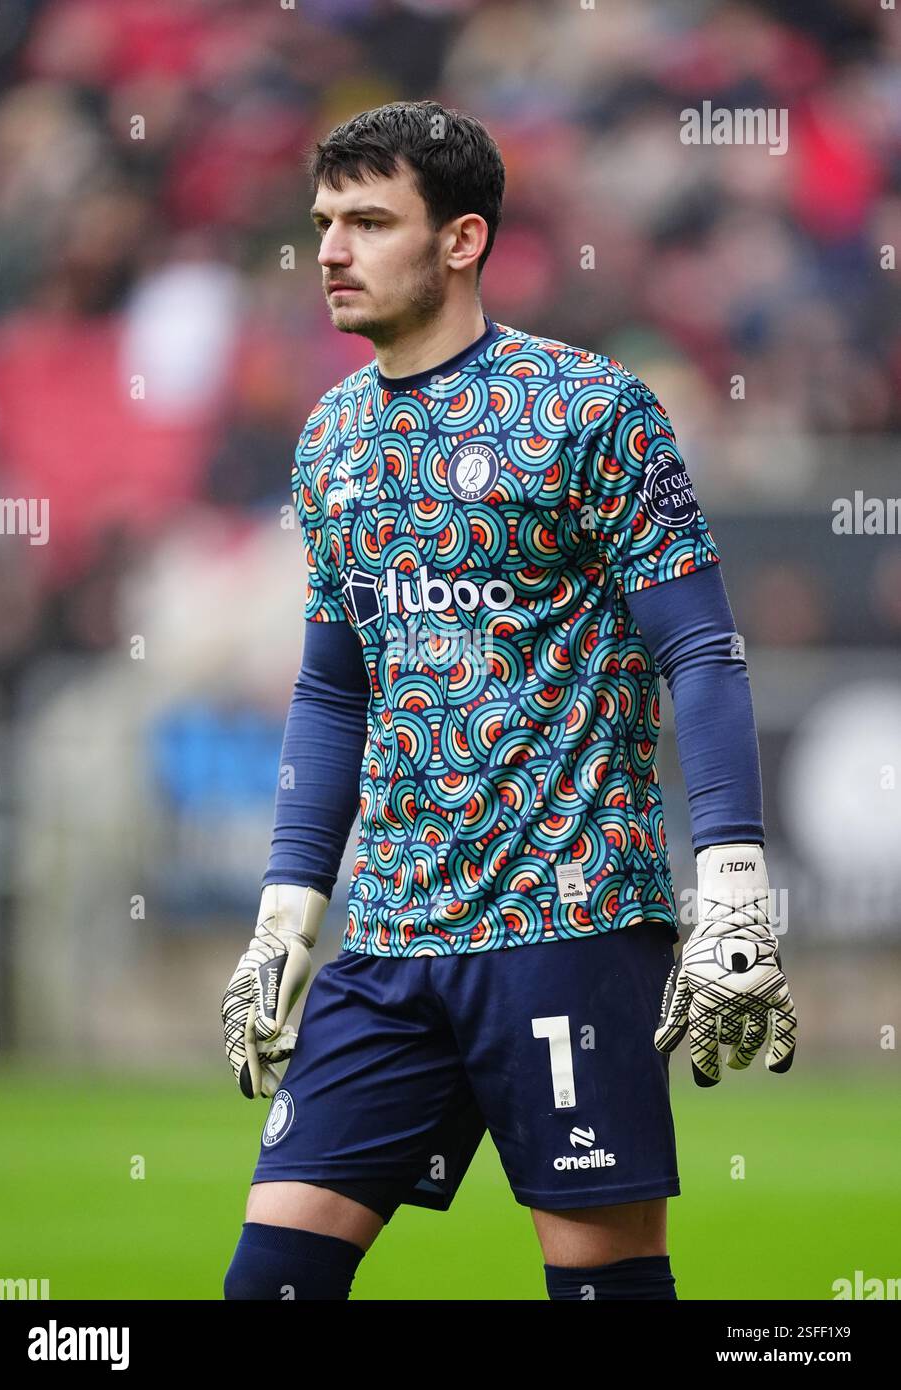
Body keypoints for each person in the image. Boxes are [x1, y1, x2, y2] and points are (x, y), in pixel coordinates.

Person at [221, 100, 797, 1302]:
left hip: (566, 921)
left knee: (600, 1286)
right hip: (389, 937)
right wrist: (287, 911)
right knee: (267, 1278)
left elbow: (700, 648)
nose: (328, 249)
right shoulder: (329, 438)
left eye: (368, 221)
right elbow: (335, 690)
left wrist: (733, 886)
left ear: (461, 238)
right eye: (324, 220)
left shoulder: (590, 410)